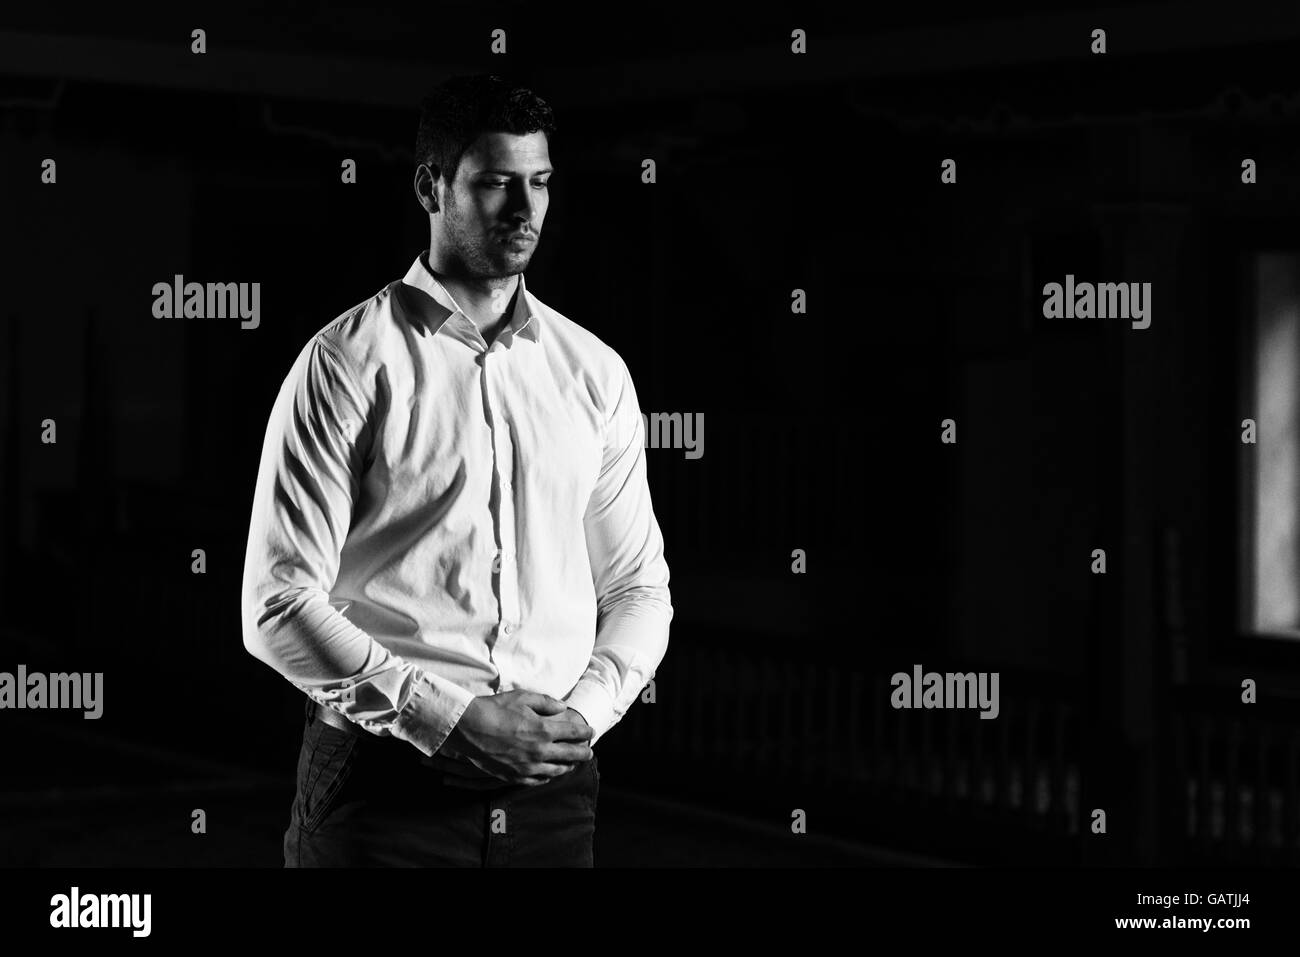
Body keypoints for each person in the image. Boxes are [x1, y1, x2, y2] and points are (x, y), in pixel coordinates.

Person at [239, 74, 673, 867]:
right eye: (496, 182)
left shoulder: (595, 373)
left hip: (551, 797)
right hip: (382, 791)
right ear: (429, 186)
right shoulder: (345, 364)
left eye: (539, 183)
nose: (524, 210)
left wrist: (579, 716)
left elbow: (639, 587)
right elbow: (275, 604)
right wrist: (447, 720)